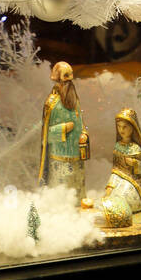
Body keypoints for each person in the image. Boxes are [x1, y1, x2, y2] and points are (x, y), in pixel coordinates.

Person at [38, 61, 89, 201]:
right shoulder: (51, 103)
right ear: (58, 80)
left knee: (77, 196)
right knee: (63, 198)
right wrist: (63, 129)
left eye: (70, 80)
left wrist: (84, 133)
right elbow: (46, 135)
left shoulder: (75, 100)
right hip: (60, 160)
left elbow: (80, 121)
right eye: (65, 80)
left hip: (77, 158)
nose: (68, 84)